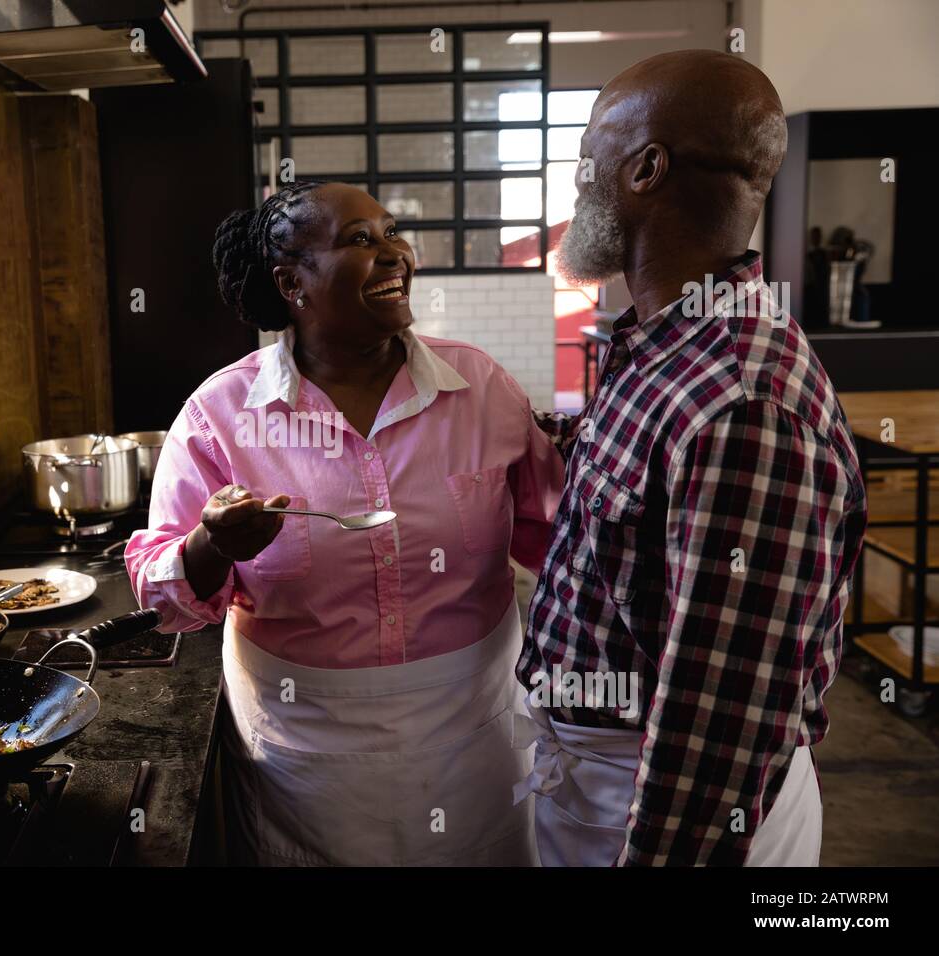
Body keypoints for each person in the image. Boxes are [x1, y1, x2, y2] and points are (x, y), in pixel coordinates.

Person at [125, 181, 565, 865]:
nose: (395, 255)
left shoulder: (480, 389)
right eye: (361, 240)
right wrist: (211, 544)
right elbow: (161, 595)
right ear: (292, 282)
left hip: (473, 737)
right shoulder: (222, 414)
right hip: (304, 757)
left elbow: (558, 540)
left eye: (392, 233)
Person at [516, 50, 868, 866]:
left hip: (663, 809)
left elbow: (723, 721)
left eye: (588, 156)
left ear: (645, 169)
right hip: (598, 779)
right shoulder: (665, 342)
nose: (578, 180)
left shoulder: (743, 400)